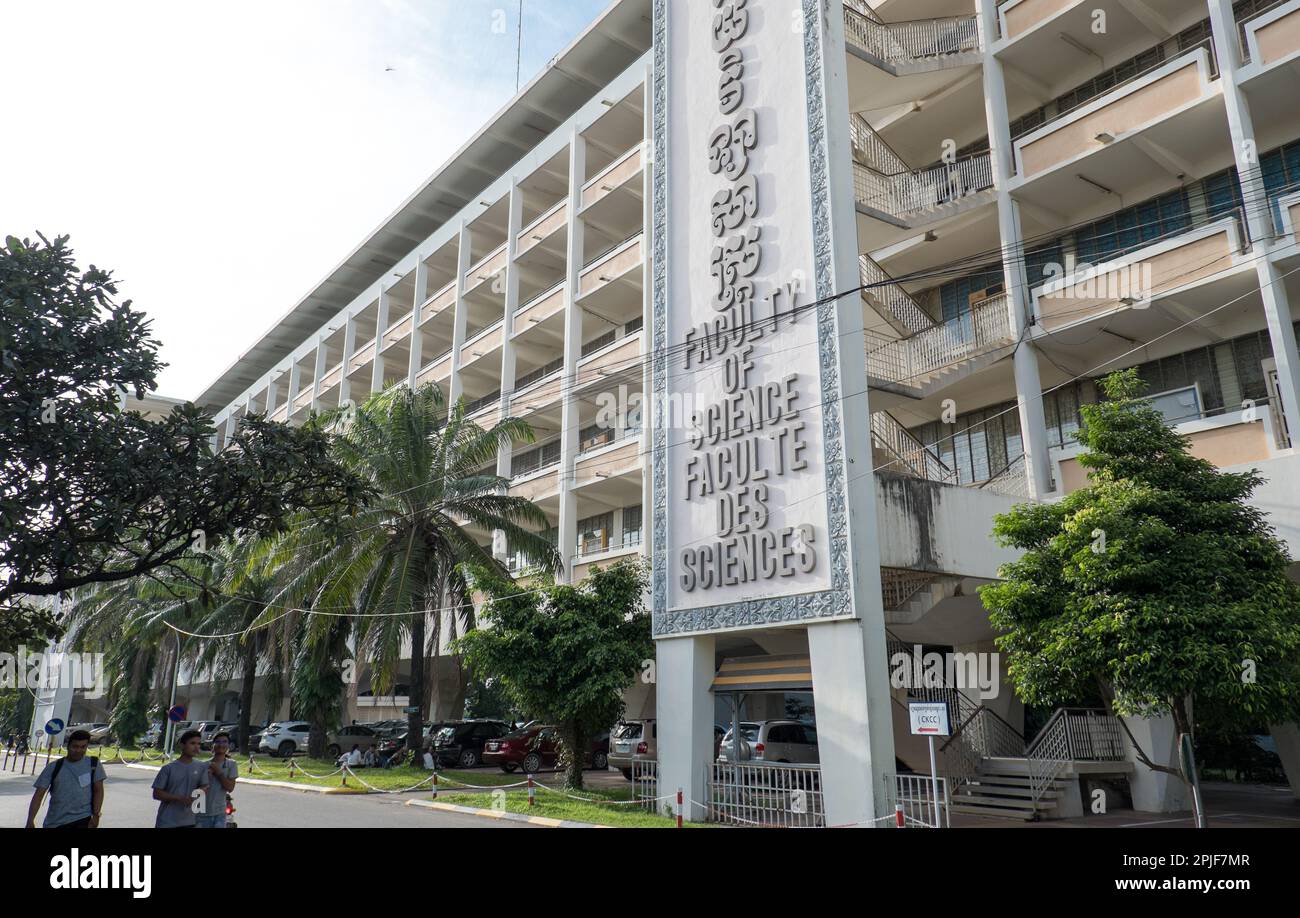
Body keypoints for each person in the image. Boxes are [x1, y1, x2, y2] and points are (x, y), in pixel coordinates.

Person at [26, 729, 106, 828]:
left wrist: (96, 815)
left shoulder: (93, 764)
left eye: (83, 747)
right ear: (68, 746)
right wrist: (30, 820)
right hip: (55, 822)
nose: (78, 751)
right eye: (75, 747)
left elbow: (98, 791)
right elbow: (39, 795)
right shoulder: (54, 767)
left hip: (83, 820)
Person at [151, 730, 209, 828]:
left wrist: (198, 793)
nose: (196, 747)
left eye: (199, 744)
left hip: (191, 821)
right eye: (192, 743)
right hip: (167, 821)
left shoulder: (201, 767)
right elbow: (157, 793)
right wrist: (179, 798)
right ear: (182, 745)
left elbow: (205, 786)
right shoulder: (168, 768)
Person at [197, 732, 237, 829]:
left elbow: (230, 787)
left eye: (225, 742)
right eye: (218, 742)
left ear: (228, 745)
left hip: (219, 813)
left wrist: (218, 772)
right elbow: (197, 789)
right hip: (201, 812)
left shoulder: (231, 764)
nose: (221, 744)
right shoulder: (203, 765)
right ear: (213, 745)